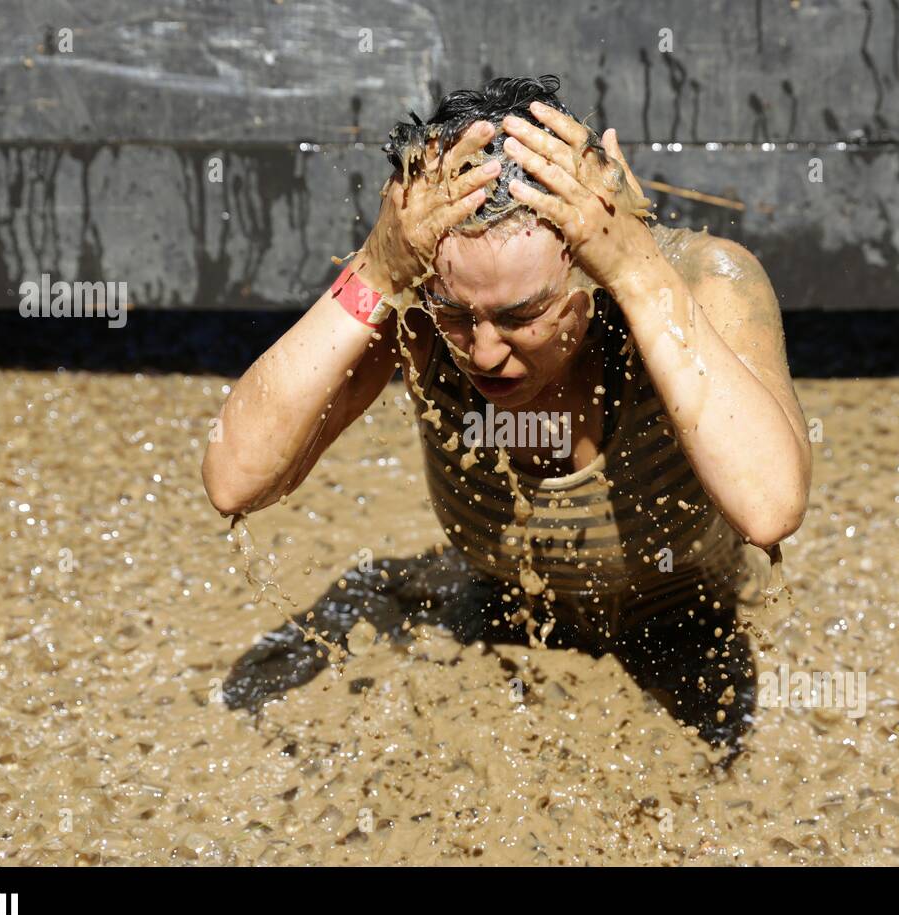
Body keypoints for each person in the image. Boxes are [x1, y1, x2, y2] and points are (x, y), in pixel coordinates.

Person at [203, 75, 811, 747]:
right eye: (458, 314)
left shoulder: (696, 281)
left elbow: (770, 507)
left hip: (689, 624)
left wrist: (638, 275)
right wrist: (375, 274)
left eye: (523, 316)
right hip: (501, 613)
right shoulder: (410, 302)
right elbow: (237, 480)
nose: (484, 352)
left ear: (588, 268)